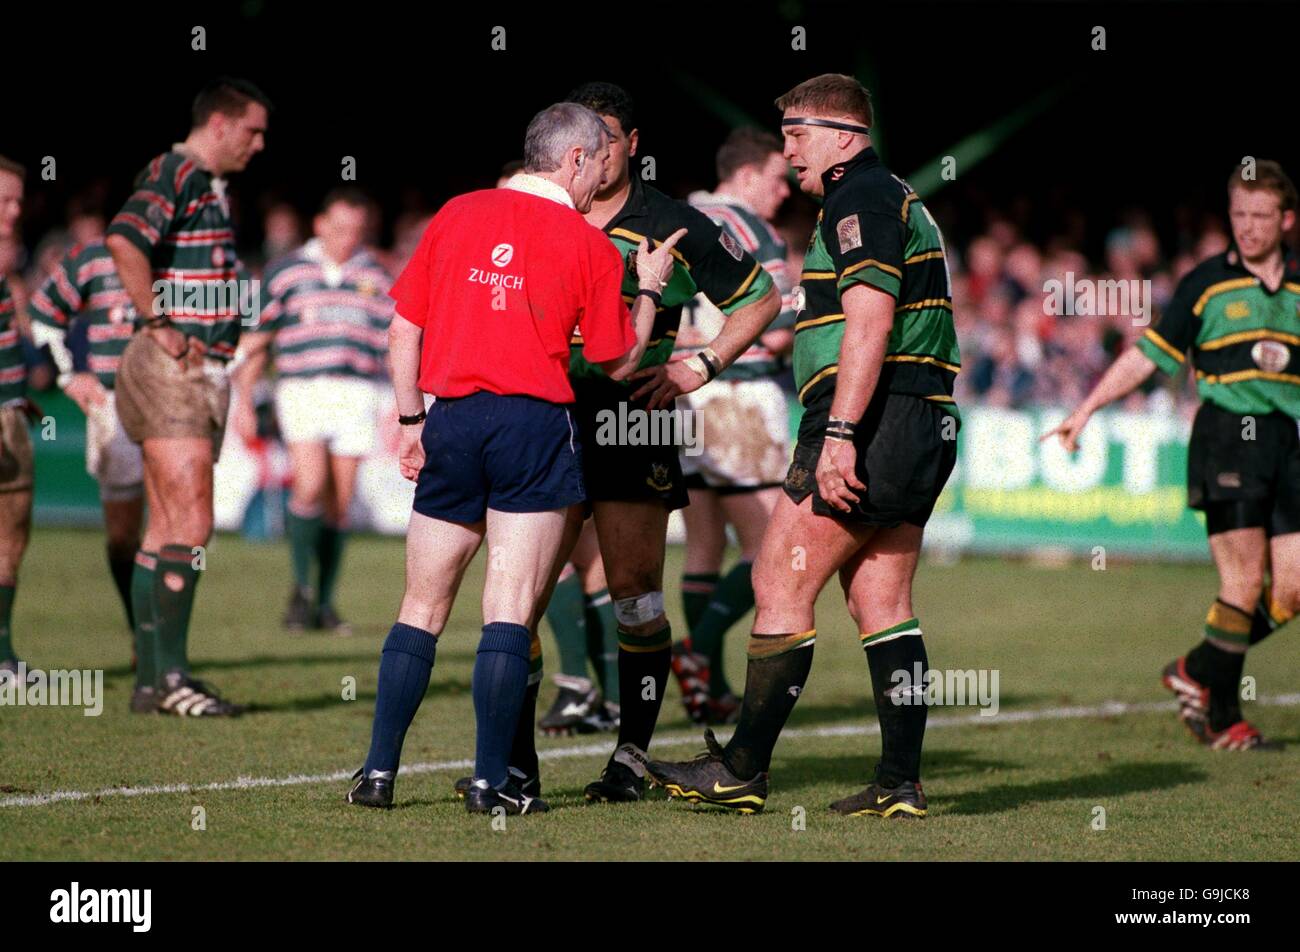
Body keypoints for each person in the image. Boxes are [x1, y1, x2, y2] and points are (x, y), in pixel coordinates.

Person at [345, 102, 683, 815]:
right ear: (575, 161)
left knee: (420, 606)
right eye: (597, 162)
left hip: (453, 420)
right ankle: (491, 784)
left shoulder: (457, 214)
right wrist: (647, 287)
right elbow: (618, 362)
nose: (600, 177)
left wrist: (411, 422)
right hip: (531, 425)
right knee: (507, 607)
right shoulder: (589, 244)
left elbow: (403, 332)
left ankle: (377, 774)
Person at [647, 73, 961, 819]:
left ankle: (741, 769)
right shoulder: (890, 196)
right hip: (921, 418)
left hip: (872, 417)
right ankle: (899, 782)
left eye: (798, 133)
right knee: (881, 599)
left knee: (779, 582)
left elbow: (870, 324)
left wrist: (842, 434)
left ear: (846, 134)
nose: (788, 152)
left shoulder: (863, 197)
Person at [561, 82, 781, 804]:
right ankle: (507, 763)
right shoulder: (540, 208)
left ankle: (630, 755)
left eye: (612, 138)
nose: (598, 152)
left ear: (632, 145)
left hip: (637, 414)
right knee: (525, 588)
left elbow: (760, 298)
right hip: (544, 412)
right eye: (585, 139)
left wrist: (702, 363)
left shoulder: (671, 222)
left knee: (634, 594)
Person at [1046, 161, 1300, 751]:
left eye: (1261, 216)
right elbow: (1150, 355)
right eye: (1239, 215)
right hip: (1225, 438)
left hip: (1287, 443)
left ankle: (1195, 670)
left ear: (1286, 220)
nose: (1249, 228)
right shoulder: (1205, 282)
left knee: (1290, 590)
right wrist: (1086, 408)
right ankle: (1223, 718)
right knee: (1241, 583)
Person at [105, 76, 271, 715]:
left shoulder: (207, 185)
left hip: (196, 371)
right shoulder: (178, 170)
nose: (259, 145)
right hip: (173, 371)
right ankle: (174, 679)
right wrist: (159, 322)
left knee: (167, 526)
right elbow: (124, 236)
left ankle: (152, 681)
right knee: (193, 522)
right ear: (221, 123)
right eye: (252, 130)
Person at [671, 127, 797, 724]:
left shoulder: (674, 218)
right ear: (746, 176)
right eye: (777, 178)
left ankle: (709, 685)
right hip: (741, 397)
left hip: (683, 395)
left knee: (703, 547)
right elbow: (774, 330)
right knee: (770, 544)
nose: (785, 191)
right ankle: (696, 649)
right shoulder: (755, 231)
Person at [234, 188, 393, 634]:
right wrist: (244, 400)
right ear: (320, 224)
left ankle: (324, 602)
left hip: (358, 390)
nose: (347, 238)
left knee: (339, 503)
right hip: (302, 388)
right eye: (339, 228)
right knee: (309, 485)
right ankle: (302, 591)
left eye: (356, 231)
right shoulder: (286, 272)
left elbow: (395, 341)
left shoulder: (376, 274)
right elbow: (256, 340)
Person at [28, 239, 143, 650]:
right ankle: (141, 633)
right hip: (113, 401)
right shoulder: (93, 259)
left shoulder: (188, 251)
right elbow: (43, 312)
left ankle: (167, 651)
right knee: (124, 534)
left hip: (176, 401)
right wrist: (67, 374)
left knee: (183, 526)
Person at [0, 155, 39, 679]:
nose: (14, 211)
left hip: (11, 412)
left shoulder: (7, 263)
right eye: (4, 201)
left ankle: (3, 657)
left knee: (12, 536)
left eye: (17, 202)